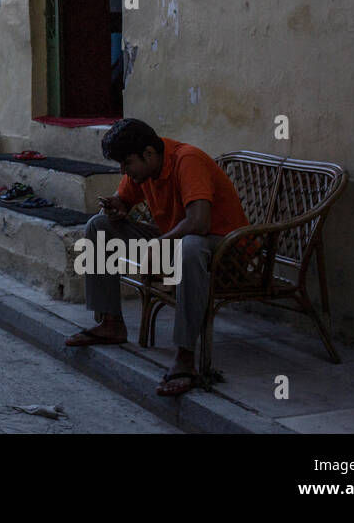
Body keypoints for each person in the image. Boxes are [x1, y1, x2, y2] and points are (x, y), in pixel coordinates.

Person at [64, 118, 249, 396]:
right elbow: (123, 199)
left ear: (148, 154)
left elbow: (199, 222)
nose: (123, 171)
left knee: (191, 246)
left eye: (127, 164)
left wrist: (158, 245)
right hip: (180, 241)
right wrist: (116, 207)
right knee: (99, 226)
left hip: (225, 251)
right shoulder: (144, 169)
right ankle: (111, 323)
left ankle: (185, 358)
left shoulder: (188, 160)